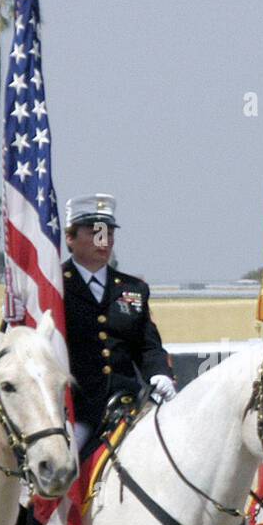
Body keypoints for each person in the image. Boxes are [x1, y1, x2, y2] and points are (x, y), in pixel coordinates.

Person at [61, 194, 175, 454]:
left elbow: (148, 346)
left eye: (109, 234)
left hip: (128, 404)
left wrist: (160, 373)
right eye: (94, 233)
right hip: (79, 410)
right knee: (61, 470)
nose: (104, 242)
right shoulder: (55, 287)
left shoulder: (133, 288)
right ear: (71, 237)